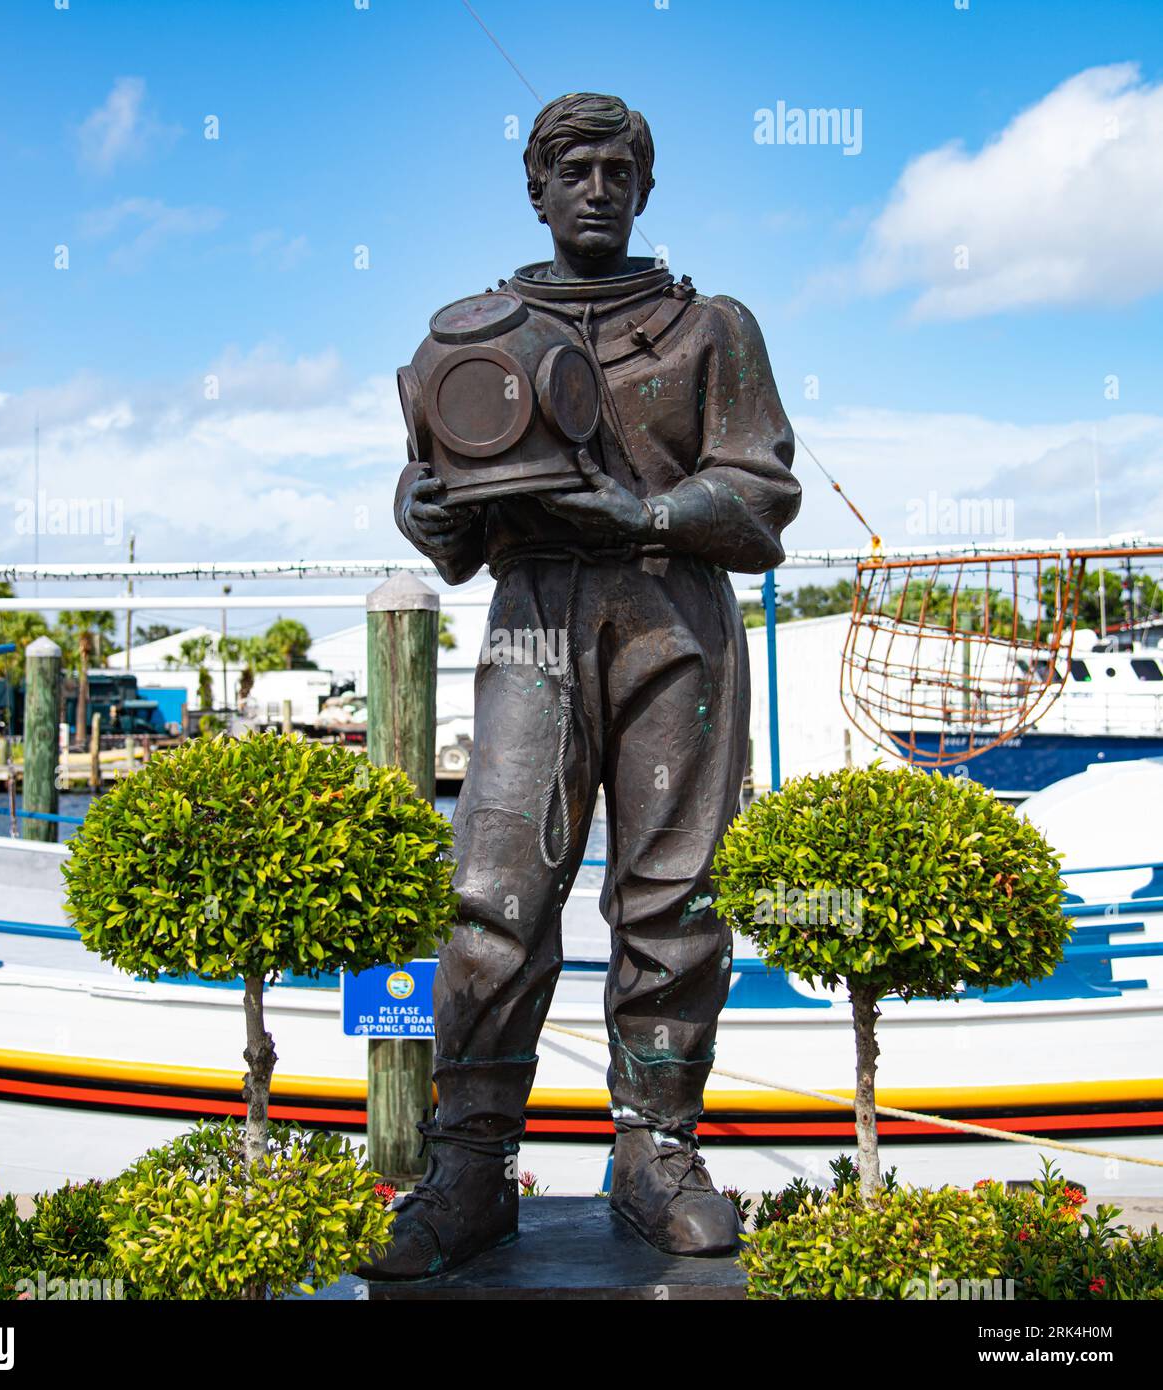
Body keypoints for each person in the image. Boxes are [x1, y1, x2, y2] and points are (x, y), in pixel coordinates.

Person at [365, 92, 801, 1279]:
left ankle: (655, 1149)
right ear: (536, 189)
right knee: (495, 895)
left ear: (645, 188)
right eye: (574, 170)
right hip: (532, 627)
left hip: (675, 619)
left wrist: (647, 509)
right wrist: (421, 510)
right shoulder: (475, 336)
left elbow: (758, 501)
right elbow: (441, 504)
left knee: (673, 898)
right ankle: (469, 1163)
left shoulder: (710, 328)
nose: (597, 188)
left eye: (618, 170)